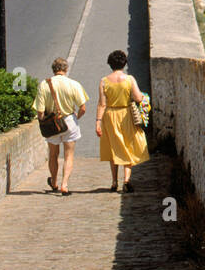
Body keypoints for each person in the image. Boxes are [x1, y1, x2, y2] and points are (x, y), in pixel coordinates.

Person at [32, 58, 88, 196]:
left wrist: (43, 121)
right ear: (66, 69)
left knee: (53, 154)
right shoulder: (73, 84)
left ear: (53, 69)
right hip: (69, 121)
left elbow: (39, 111)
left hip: (52, 123)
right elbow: (83, 108)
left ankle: (54, 181)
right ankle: (65, 184)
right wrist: (75, 117)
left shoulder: (44, 85)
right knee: (68, 155)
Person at [96, 49, 149, 192]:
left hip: (110, 115)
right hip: (126, 114)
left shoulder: (104, 81)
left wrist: (98, 122)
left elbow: (102, 104)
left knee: (114, 147)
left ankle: (114, 181)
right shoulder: (130, 79)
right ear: (124, 63)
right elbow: (138, 98)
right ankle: (126, 179)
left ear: (110, 64)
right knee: (128, 145)